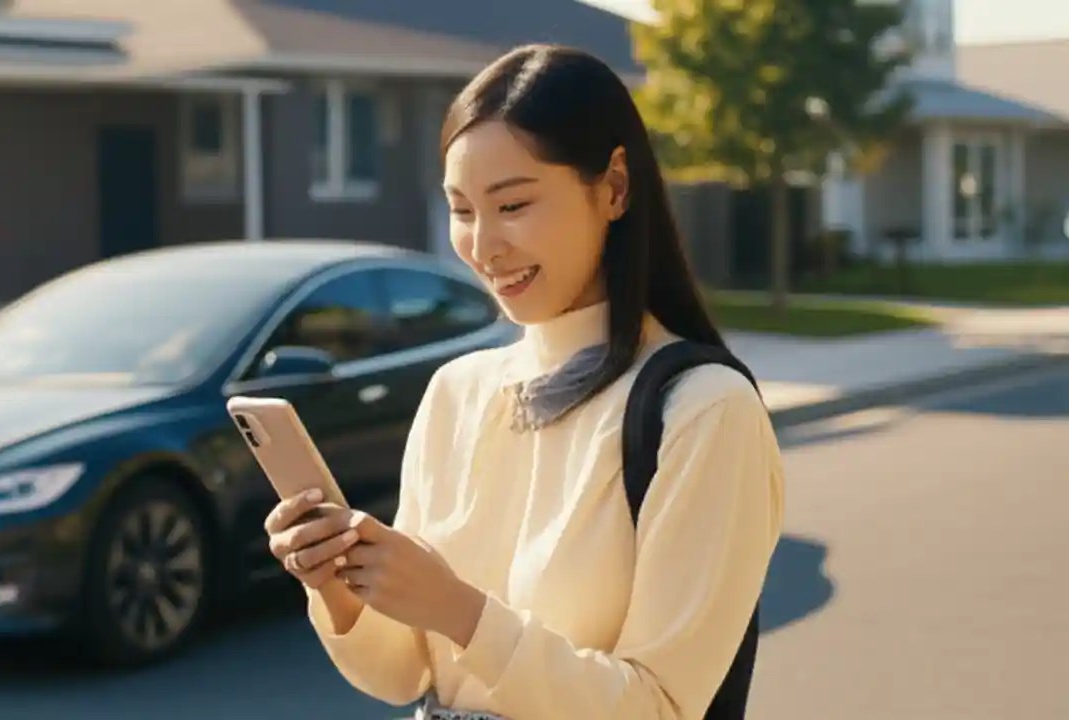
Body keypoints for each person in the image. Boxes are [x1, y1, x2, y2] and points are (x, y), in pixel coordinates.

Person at [263, 43, 785, 720]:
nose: (483, 246)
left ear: (615, 187)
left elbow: (660, 707)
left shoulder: (705, 411)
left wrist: (459, 610)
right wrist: (335, 584)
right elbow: (403, 676)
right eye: (461, 210)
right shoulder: (458, 391)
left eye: (512, 206)